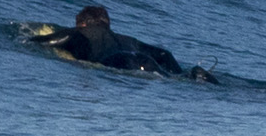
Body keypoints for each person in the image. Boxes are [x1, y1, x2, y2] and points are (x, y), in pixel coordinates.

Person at [48, 5, 208, 80]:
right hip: (144, 60)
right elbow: (164, 54)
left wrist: (30, 40)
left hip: (120, 61)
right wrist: (177, 72)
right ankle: (193, 75)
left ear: (83, 24)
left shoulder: (82, 32)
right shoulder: (128, 39)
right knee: (173, 79)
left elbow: (64, 38)